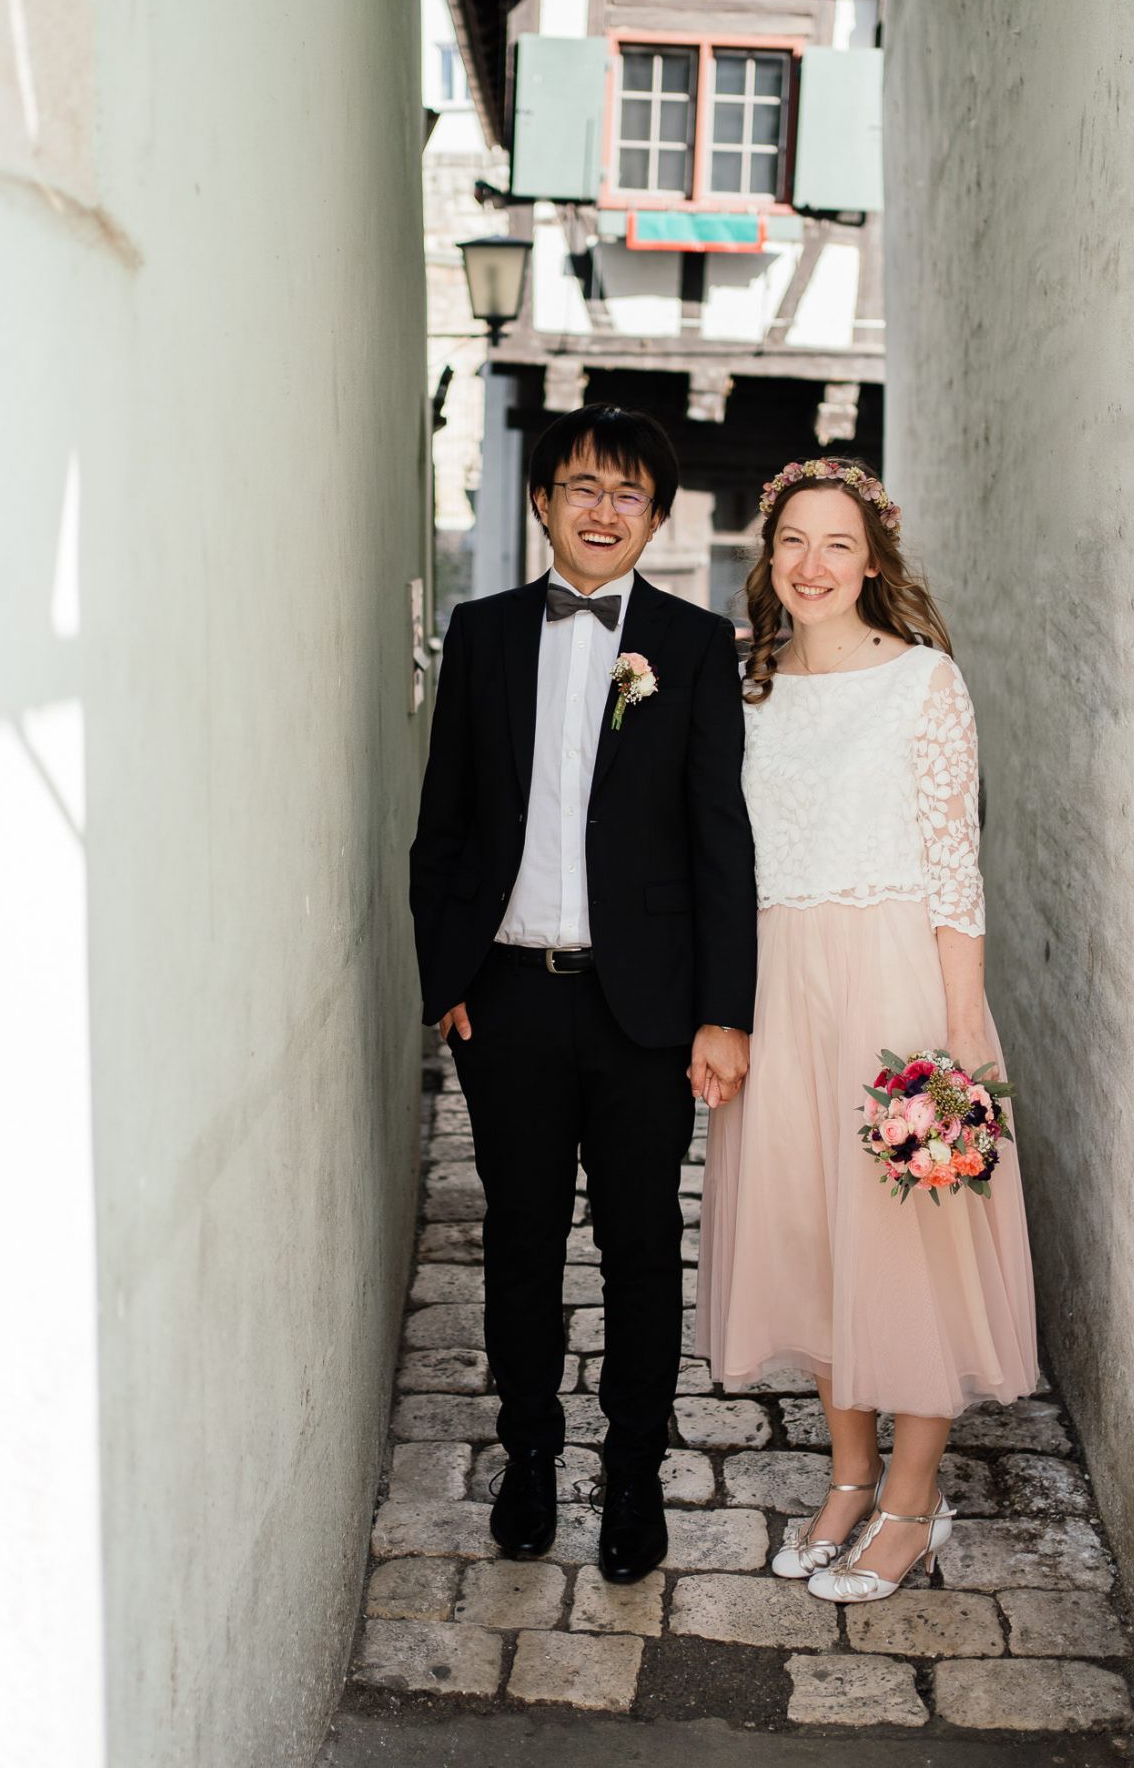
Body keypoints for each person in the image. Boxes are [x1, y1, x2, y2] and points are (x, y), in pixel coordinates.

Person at [410, 403, 757, 1583]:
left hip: (644, 1009)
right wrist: (446, 974)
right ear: (542, 502)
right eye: (581, 487)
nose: (603, 510)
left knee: (642, 1246)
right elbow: (443, 822)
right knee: (517, 1243)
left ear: (655, 516)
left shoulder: (696, 645)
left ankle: (631, 1475)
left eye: (627, 493)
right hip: (506, 998)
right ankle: (527, 1455)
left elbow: (722, 844)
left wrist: (724, 1009)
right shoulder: (485, 630)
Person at [696, 456, 1037, 1603]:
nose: (812, 564)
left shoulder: (925, 684)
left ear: (876, 558)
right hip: (786, 991)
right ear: (768, 554)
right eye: (793, 541)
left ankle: (912, 1496)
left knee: (907, 1245)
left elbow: (956, 874)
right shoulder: (745, 688)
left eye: (838, 543)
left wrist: (955, 1052)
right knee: (813, 1234)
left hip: (898, 991)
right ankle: (848, 1473)